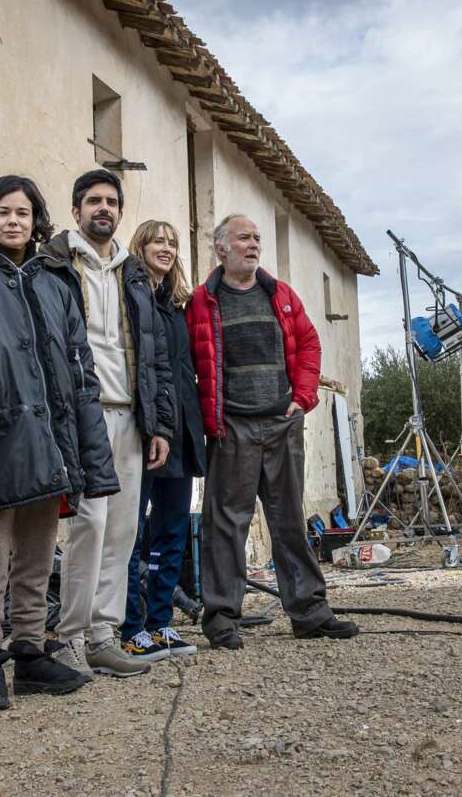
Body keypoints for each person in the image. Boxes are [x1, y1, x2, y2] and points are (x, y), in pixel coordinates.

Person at [0, 175, 119, 710]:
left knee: (36, 553)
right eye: (3, 212)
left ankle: (29, 653)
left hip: (49, 438)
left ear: (36, 221)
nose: (14, 222)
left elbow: (81, 367)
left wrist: (86, 448)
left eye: (23, 214)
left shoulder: (54, 280)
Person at [186, 214, 360, 649]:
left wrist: (302, 398)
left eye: (257, 238)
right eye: (244, 238)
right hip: (232, 428)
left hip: (282, 424)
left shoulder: (280, 295)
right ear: (221, 247)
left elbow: (310, 344)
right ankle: (223, 619)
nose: (253, 244)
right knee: (226, 524)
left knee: (288, 521)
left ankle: (310, 613)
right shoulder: (203, 302)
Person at [42, 169, 175, 678]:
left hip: (130, 415)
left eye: (111, 201)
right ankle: (72, 637)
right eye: (93, 200)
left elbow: (154, 355)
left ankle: (104, 634)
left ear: (119, 212)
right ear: (76, 210)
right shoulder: (52, 265)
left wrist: (158, 423)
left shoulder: (133, 273)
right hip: (81, 413)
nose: (103, 208)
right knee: (88, 526)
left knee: (122, 530)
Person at [118, 221, 206, 661]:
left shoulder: (179, 307)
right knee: (132, 532)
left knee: (172, 529)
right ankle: (131, 628)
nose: (166, 249)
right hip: (145, 427)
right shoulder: (130, 298)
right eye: (158, 241)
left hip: (182, 429)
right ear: (141, 247)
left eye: (172, 243)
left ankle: (161, 624)